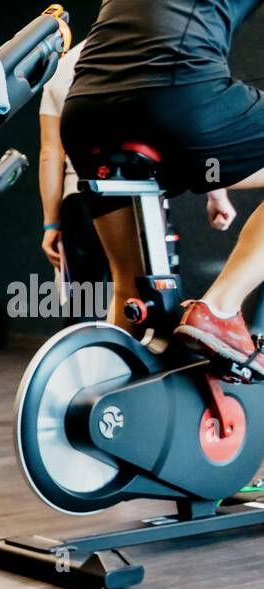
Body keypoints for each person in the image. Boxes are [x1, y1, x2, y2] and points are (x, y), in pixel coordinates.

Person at [61, 0, 261, 376]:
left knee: (130, 291)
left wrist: (215, 186)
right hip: (179, 95)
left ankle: (101, 397)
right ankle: (219, 309)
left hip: (87, 108)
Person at [38, 38, 109, 320]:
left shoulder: (63, 67)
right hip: (135, 195)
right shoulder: (147, 50)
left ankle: (86, 361)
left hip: (79, 198)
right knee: (139, 301)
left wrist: (51, 224)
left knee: (84, 306)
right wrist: (217, 193)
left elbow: (50, 154)